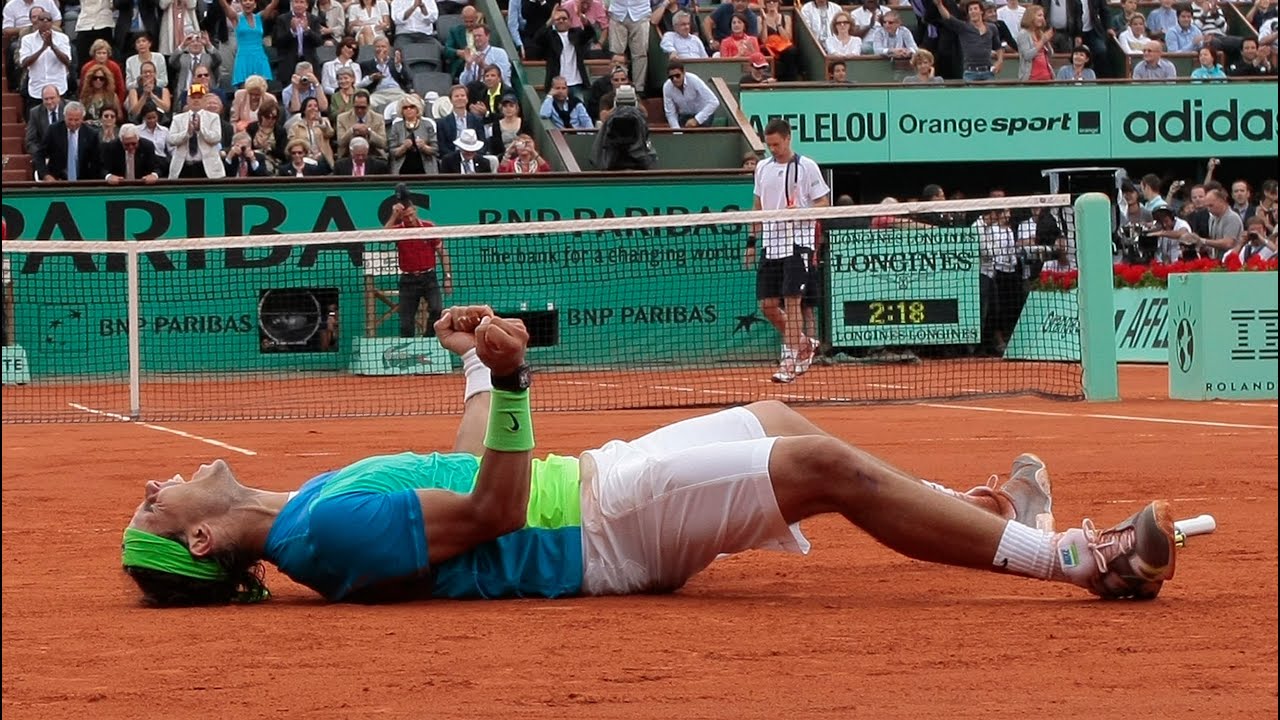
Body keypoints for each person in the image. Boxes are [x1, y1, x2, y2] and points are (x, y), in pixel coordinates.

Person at [120, 303, 1180, 606]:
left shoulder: (310, 507)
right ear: (205, 538)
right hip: (598, 531)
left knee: (780, 422)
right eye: (153, 509)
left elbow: (462, 474)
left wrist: (478, 373)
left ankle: (988, 519)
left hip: (594, 486)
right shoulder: (317, 531)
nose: (155, 484)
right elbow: (492, 514)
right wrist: (521, 388)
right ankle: (1078, 561)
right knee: (823, 475)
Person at [747, 118, 828, 384]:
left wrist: (803, 211)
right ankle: (804, 344)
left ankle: (789, 360)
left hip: (798, 243)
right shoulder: (762, 168)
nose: (773, 149)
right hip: (771, 245)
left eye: (777, 144)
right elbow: (757, 206)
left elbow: (824, 204)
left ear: (788, 138)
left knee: (792, 301)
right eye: (769, 145)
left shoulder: (807, 167)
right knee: (767, 306)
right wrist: (752, 241)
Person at [389, 184, 452, 338]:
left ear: (415, 211)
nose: (409, 219)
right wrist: (393, 216)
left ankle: (427, 340)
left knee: (437, 310)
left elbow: (442, 252)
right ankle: (409, 350)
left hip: (429, 278)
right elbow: (382, 237)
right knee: (406, 323)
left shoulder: (429, 227)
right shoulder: (398, 230)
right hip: (408, 280)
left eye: (411, 214)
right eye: (405, 217)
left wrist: (448, 277)